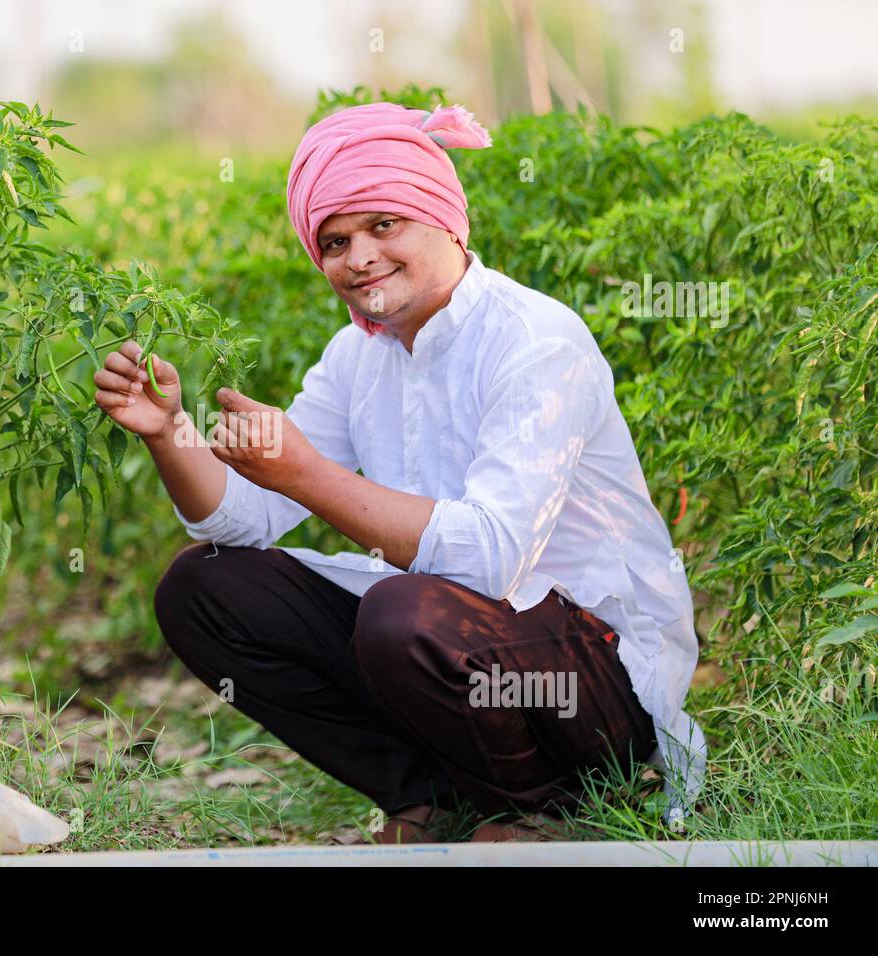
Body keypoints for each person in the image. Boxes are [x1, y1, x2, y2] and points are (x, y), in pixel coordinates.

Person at [93, 101, 706, 844]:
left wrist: (308, 476)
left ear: (445, 219)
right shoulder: (360, 355)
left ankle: (545, 810)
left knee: (403, 614)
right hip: (455, 644)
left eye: (385, 226)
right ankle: (432, 798)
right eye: (335, 240)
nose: (359, 258)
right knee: (206, 588)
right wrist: (169, 432)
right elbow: (243, 518)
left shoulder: (535, 342)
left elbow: (488, 559)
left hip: (597, 684)